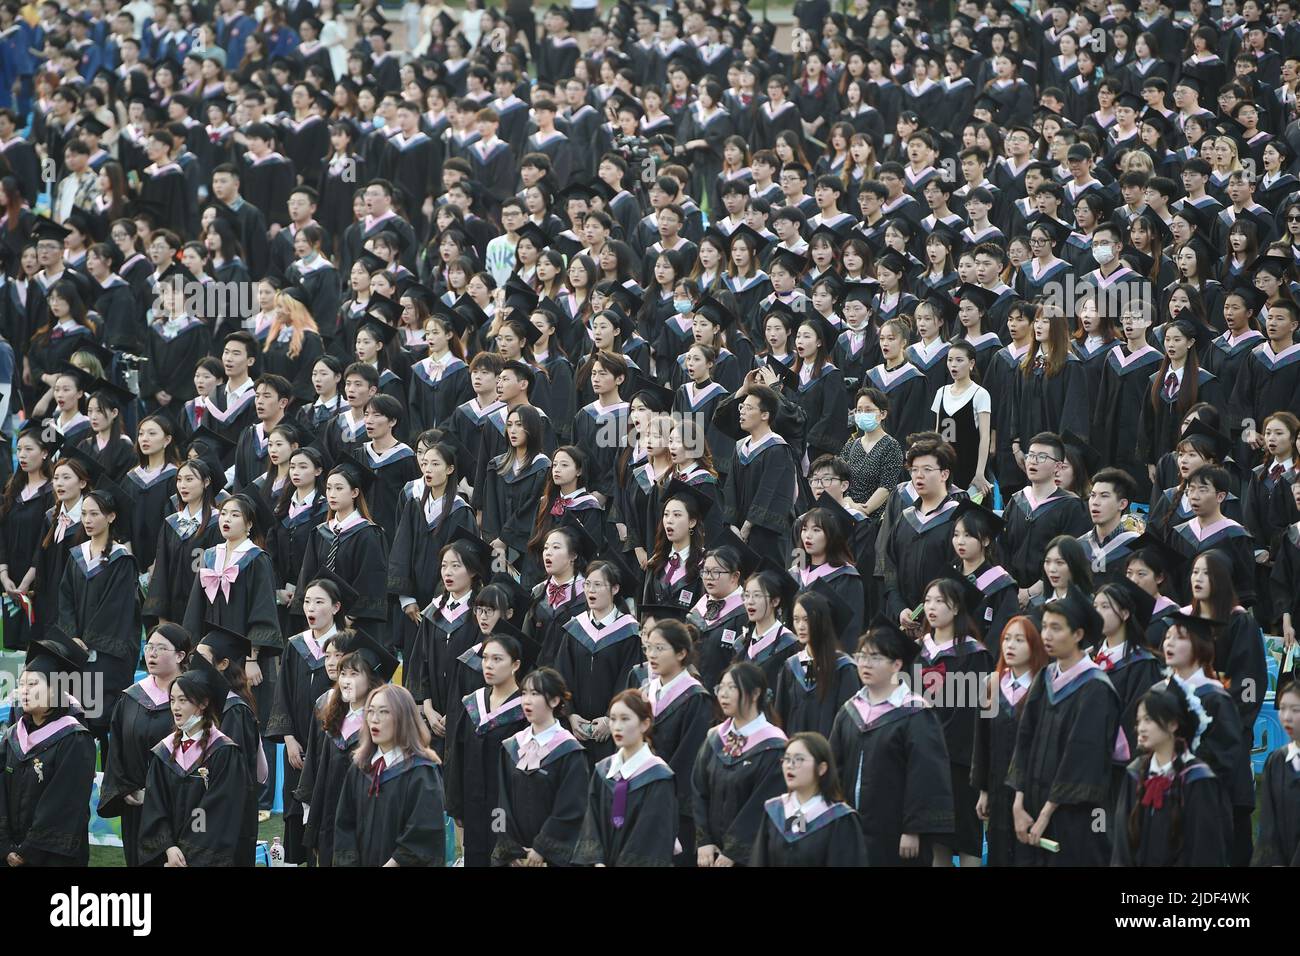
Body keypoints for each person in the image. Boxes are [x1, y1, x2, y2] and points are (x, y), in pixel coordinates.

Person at [1008, 588, 1122, 866]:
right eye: (1044, 626)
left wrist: (1047, 813)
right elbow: (1024, 739)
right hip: (1032, 807)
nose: (1046, 635)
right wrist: (1018, 802)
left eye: (1056, 628)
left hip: (1075, 816)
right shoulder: (1046, 676)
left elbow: (1081, 757)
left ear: (1078, 635)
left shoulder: (1095, 687)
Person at [830, 626, 954, 867]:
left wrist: (913, 829)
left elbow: (926, 776)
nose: (865, 664)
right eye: (861, 657)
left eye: (875, 658)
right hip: (852, 828)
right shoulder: (850, 711)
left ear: (897, 665)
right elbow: (834, 768)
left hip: (897, 832)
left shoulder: (915, 713)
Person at [296, 629, 398, 868]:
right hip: (331, 819)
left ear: (372, 680)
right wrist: (311, 811)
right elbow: (319, 772)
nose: (345, 680)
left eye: (354, 674)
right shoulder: (334, 721)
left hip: (367, 821)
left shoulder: (383, 725)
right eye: (343, 673)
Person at [265, 576, 347, 866]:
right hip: (296, 747)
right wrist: (287, 739)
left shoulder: (346, 646)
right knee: (296, 807)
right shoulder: (296, 645)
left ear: (335, 607)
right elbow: (282, 693)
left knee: (326, 809)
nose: (310, 607)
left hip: (333, 746)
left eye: (319, 602)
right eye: (307, 600)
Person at [136, 662, 251, 868]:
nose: (175, 707)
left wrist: (187, 854)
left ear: (203, 703)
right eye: (172, 700)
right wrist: (169, 848)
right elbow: (155, 805)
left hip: (205, 857)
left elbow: (217, 810)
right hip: (169, 858)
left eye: (183, 700)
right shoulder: (165, 751)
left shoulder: (223, 751)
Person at [98, 623, 192, 867]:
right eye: (149, 647)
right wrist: (125, 789)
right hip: (137, 803)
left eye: (161, 648)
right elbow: (116, 747)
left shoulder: (195, 697)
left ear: (181, 656)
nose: (151, 654)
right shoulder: (132, 696)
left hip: (178, 805)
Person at [0, 637, 97, 867]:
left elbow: (63, 803)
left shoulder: (75, 739)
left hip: (51, 857)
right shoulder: (13, 736)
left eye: (32, 685)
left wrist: (28, 849)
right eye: (21, 684)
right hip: (7, 851)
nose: (23, 691)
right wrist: (4, 844)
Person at [1111, 685, 1230, 866]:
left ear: (1173, 724)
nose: (1140, 728)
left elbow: (1203, 851)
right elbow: (1122, 847)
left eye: (1148, 719)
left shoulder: (1198, 780)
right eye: (1138, 721)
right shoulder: (1135, 773)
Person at [333, 683, 447, 867]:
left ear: (403, 718)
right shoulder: (360, 769)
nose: (374, 719)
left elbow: (422, 835)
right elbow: (344, 825)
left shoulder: (422, 773)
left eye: (384, 712)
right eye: (370, 711)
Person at [692, 660, 788, 867]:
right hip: (710, 855)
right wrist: (704, 841)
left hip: (752, 856)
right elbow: (699, 790)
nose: (723, 694)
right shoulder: (715, 738)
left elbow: (762, 804)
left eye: (732, 688)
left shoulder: (774, 746)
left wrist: (734, 851)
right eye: (721, 688)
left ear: (755, 694)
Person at [494, 667, 592, 867]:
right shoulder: (512, 746)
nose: (527, 700)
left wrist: (541, 848)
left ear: (555, 701)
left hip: (553, 858)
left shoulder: (569, 751)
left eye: (535, 694)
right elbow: (501, 803)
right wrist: (510, 850)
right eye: (524, 694)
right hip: (516, 858)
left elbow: (571, 808)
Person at [444, 633, 527, 867]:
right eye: (485, 658)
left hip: (505, 810)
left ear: (516, 665)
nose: (488, 665)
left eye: (497, 659)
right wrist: (456, 803)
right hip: (473, 804)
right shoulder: (474, 703)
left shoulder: (525, 709)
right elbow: (457, 755)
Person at [573, 688, 678, 867]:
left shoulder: (659, 777)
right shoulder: (603, 771)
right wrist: (597, 862)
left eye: (625, 719)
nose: (617, 726)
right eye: (613, 719)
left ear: (645, 724)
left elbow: (652, 837)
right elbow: (592, 824)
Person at [973, 616, 1047, 867]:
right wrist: (983, 790)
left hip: (1032, 791)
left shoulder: (1045, 687)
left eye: (1019, 640)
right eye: (1006, 639)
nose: (1010, 646)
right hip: (997, 787)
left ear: (1035, 645)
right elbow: (982, 741)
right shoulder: (992, 685)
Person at [554, 560, 642, 764]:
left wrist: (610, 718)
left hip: (613, 733)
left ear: (615, 589)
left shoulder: (629, 632)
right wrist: (570, 714)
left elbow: (628, 680)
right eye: (587, 584)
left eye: (598, 585)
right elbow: (562, 674)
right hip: (576, 731)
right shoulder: (575, 628)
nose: (590, 590)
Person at [640, 618, 712, 866]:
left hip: (674, 805)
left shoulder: (695, 697)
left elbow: (689, 758)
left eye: (660, 648)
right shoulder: (644, 693)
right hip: (638, 797)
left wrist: (656, 788)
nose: (652, 654)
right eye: (649, 647)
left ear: (682, 653)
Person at [750, 732, 867, 867]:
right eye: (787, 759)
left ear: (821, 768)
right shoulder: (775, 811)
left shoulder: (839, 819)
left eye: (799, 759)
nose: (790, 765)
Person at [1251, 676, 1300, 866]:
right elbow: (1268, 824)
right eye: (1283, 708)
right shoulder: (1278, 760)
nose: (1286, 716)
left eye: (1295, 710)